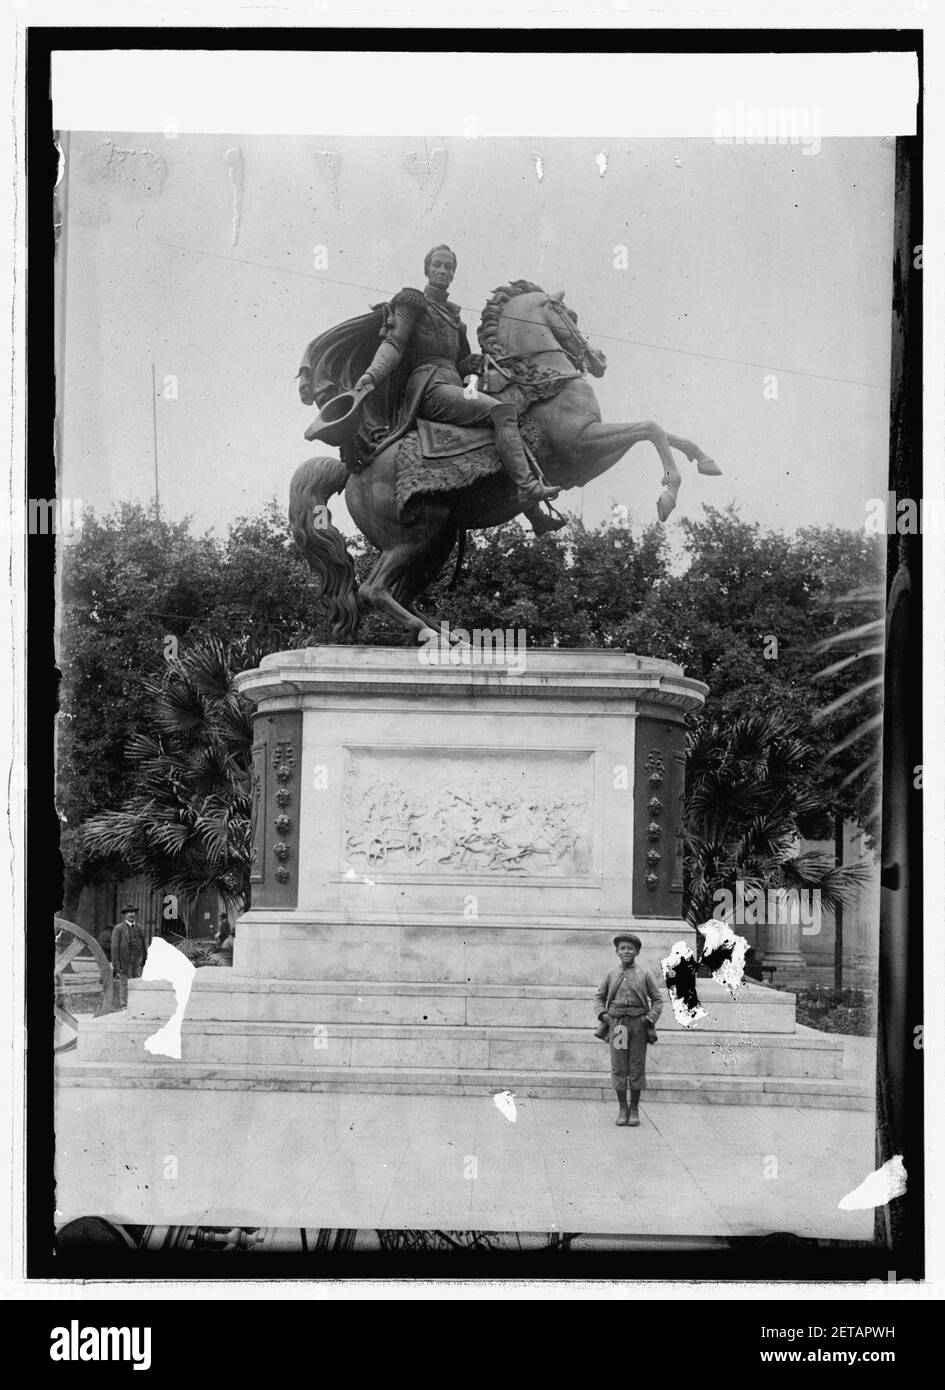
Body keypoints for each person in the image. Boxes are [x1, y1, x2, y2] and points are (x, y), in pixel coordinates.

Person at [352, 245, 566, 536]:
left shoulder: (456, 319)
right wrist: (371, 375)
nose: (443, 271)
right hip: (430, 387)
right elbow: (394, 344)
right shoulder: (412, 303)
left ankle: (535, 514)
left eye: (449, 268)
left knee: (512, 411)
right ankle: (529, 489)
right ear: (427, 269)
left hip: (453, 384)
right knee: (500, 411)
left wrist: (471, 363)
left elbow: (459, 364)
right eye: (438, 265)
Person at [595, 933, 664, 1127]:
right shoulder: (611, 974)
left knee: (636, 1066)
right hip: (618, 1026)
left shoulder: (644, 974)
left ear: (637, 952)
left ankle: (634, 1108)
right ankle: (622, 1108)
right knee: (619, 1066)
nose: (626, 951)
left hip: (637, 1026)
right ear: (617, 952)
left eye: (630, 948)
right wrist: (604, 1016)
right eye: (622, 948)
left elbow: (658, 1000)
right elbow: (599, 997)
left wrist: (648, 1019)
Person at [110, 904, 146, 1010]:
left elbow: (144, 944)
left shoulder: (139, 927)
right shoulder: (119, 929)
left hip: (138, 959)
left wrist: (144, 958)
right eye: (129, 912)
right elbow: (114, 947)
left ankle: (136, 1003)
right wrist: (116, 964)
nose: (131, 914)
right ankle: (124, 1005)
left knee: (137, 981)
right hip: (125, 959)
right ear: (125, 915)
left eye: (133, 912)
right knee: (125, 982)